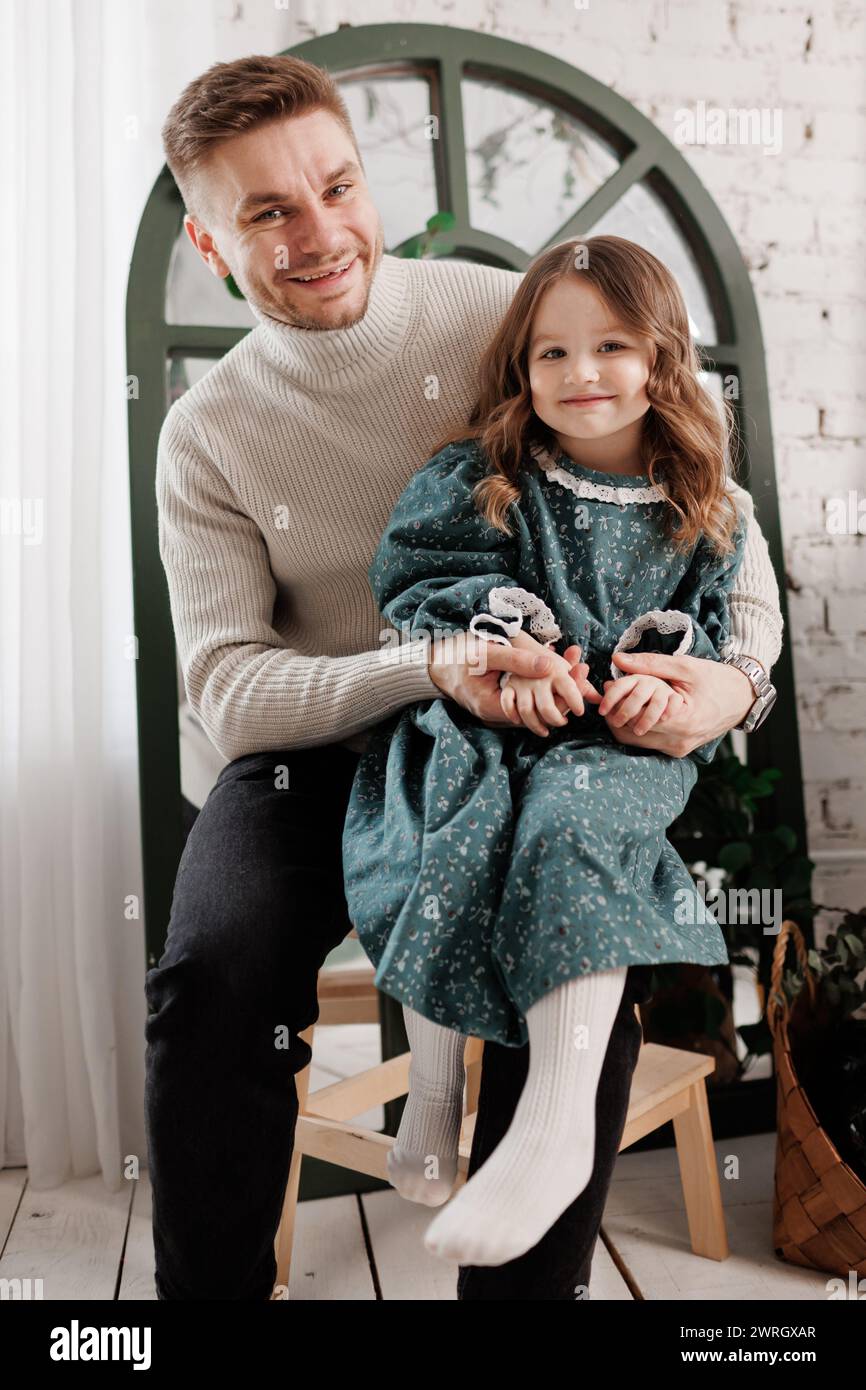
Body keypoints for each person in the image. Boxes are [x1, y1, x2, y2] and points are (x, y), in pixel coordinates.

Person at [145, 53, 783, 1300]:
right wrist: (429, 666)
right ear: (212, 246)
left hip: (532, 725)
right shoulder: (205, 432)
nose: (320, 232)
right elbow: (227, 687)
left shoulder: (491, 315)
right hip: (312, 746)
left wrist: (735, 684)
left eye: (334, 185)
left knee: (571, 916)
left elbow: (709, 495)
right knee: (214, 974)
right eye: (267, 211)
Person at [342, 234, 748, 1269]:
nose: (580, 375)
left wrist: (664, 674)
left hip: (619, 740)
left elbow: (721, 637)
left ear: (661, 358)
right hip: (494, 716)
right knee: (454, 816)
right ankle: (432, 1103)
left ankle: (557, 1127)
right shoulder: (487, 476)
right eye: (550, 353)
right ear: (519, 368)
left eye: (610, 345)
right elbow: (423, 586)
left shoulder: (701, 501)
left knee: (571, 829)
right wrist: (507, 642)